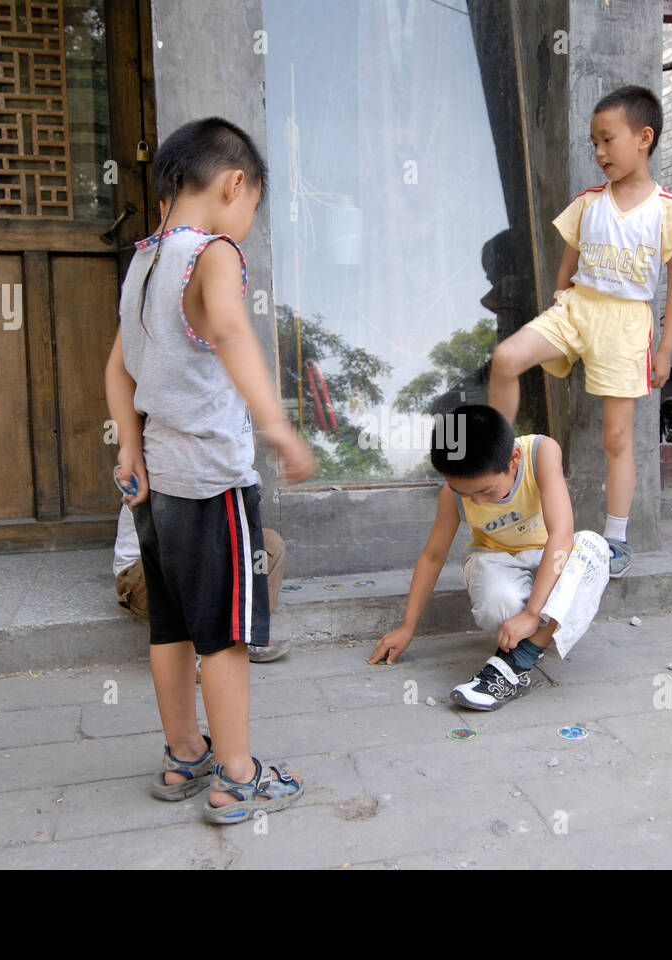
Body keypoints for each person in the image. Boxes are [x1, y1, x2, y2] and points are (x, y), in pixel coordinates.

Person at [104, 117, 318, 824]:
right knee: (223, 633)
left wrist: (129, 448)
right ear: (233, 185)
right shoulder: (213, 254)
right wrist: (279, 425)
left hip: (157, 481)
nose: (248, 223)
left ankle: (183, 752)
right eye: (253, 206)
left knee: (170, 626)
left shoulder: (143, 259)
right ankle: (237, 777)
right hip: (212, 482)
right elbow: (228, 328)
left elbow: (118, 365)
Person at [487, 85, 672, 576]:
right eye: (593, 143)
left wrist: (664, 348)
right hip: (576, 309)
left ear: (644, 138)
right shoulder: (587, 203)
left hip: (627, 324)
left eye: (608, 140)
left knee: (616, 436)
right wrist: (560, 305)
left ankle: (616, 538)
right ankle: (496, 459)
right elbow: (567, 266)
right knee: (507, 359)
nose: (599, 152)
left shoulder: (667, 209)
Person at [367, 405, 610, 710]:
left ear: (513, 460)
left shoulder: (540, 453)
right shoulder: (453, 493)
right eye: (465, 494)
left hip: (549, 556)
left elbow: (561, 533)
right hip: (496, 559)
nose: (477, 501)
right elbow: (433, 556)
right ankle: (530, 646)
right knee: (499, 599)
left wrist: (533, 614)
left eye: (485, 490)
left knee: (593, 548)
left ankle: (514, 663)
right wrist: (407, 627)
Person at [113, 505, 292, 662]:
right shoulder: (159, 475)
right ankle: (195, 650)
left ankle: (249, 634)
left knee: (269, 544)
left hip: (204, 562)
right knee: (189, 549)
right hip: (140, 575)